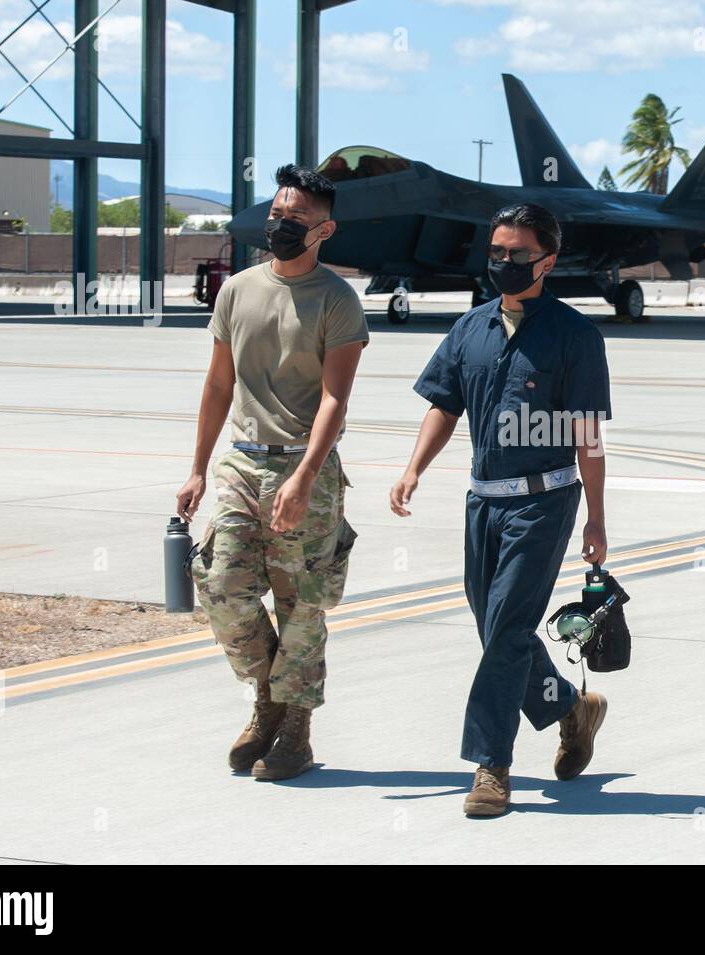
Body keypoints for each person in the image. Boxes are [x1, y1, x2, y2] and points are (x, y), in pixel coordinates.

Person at [390, 203, 613, 817]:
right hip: (483, 502)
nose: (504, 263)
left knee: (508, 631)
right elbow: (444, 403)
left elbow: (588, 435)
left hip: (544, 503)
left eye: (516, 254)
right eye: (496, 253)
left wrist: (595, 518)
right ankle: (570, 708)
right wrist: (414, 467)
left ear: (548, 259)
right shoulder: (471, 329)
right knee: (497, 632)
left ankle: (492, 765)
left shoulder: (576, 336)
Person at [176, 164, 369, 781]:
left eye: (296, 219)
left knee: (302, 604)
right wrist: (197, 469)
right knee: (222, 583)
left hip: (304, 467)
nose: (281, 226)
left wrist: (307, 476)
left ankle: (296, 730)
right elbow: (216, 383)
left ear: (325, 229)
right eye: (277, 214)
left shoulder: (337, 299)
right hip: (242, 459)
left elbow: (335, 400)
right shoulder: (237, 290)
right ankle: (267, 701)